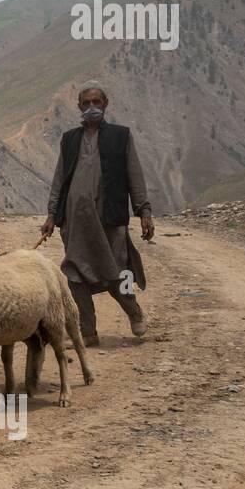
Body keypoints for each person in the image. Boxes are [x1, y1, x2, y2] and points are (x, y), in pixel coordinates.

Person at [40, 81, 154, 346]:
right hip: (75, 220)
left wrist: (143, 211)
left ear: (105, 104)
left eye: (96, 102)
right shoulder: (70, 139)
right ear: (79, 106)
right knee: (74, 274)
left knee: (116, 270)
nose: (92, 107)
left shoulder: (120, 136)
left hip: (109, 217)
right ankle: (87, 333)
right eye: (86, 103)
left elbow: (134, 175)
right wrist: (51, 215)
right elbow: (59, 179)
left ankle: (134, 312)